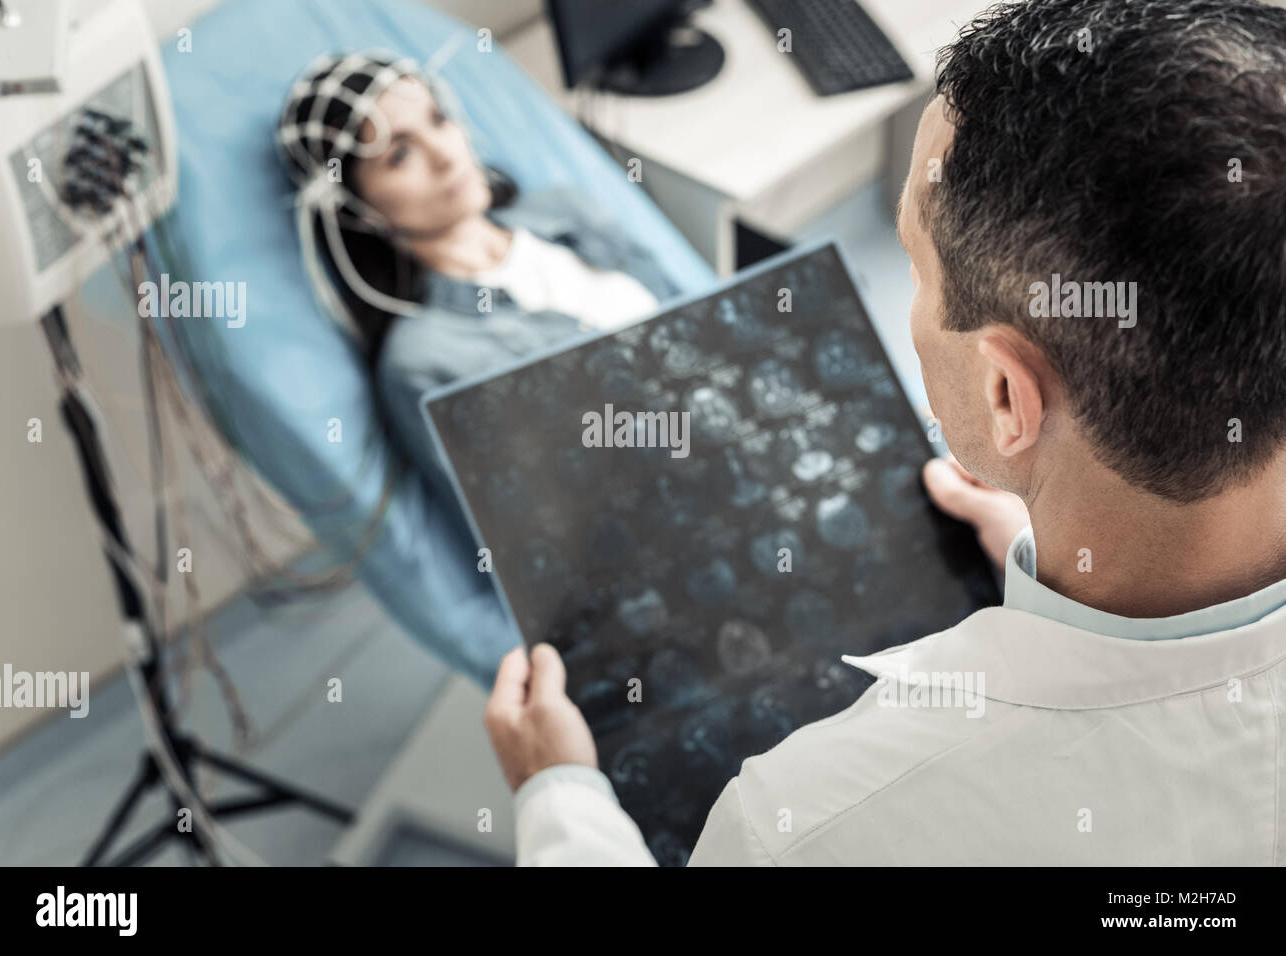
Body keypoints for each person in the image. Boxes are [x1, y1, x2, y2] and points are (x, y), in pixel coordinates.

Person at [483, 0, 1286, 865]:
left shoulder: (812, 821)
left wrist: (559, 798)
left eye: (916, 268)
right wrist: (1058, 550)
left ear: (1007, 396)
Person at [276, 50, 681, 503]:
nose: (446, 154)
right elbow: (530, 528)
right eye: (400, 154)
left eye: (439, 118)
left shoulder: (567, 210)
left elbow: (701, 320)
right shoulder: (424, 361)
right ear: (356, 209)